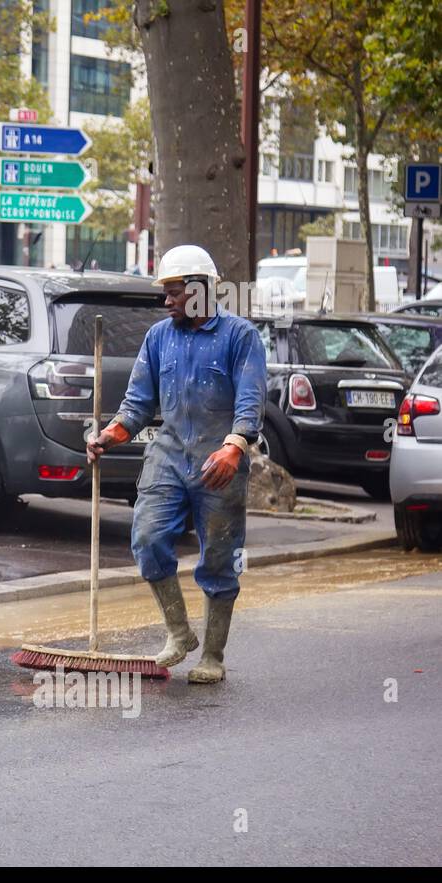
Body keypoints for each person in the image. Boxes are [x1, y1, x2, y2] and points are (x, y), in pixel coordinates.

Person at [87, 244, 267, 683]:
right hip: (168, 455)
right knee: (147, 539)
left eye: (173, 292)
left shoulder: (240, 336)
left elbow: (251, 399)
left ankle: (213, 655)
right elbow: (138, 404)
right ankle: (179, 632)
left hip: (220, 457)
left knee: (220, 558)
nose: (165, 301)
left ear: (202, 290)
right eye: (164, 293)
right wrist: (110, 434)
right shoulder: (158, 337)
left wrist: (235, 445)